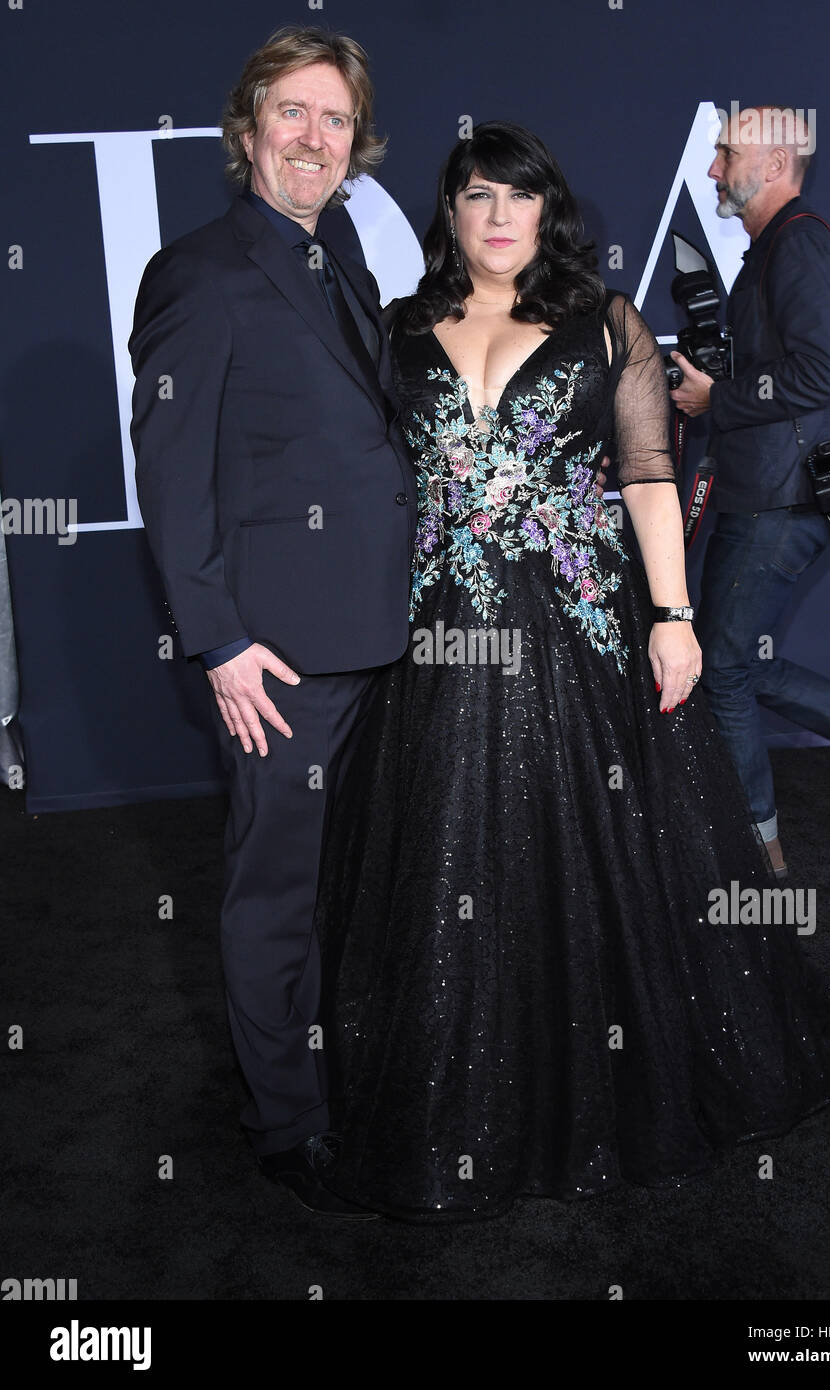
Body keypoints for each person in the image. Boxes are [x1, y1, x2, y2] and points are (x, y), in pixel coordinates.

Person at [313, 122, 830, 1224]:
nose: (499, 215)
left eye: (520, 196)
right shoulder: (401, 329)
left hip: (582, 623)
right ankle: (453, 1101)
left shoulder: (606, 324)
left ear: (548, 212)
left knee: (611, 853)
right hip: (442, 632)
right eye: (477, 195)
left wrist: (676, 615)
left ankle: (621, 1081)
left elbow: (648, 476)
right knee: (446, 852)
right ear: (450, 213)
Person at [129, 26, 419, 1218]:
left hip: (378, 636)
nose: (313, 138)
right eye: (292, 115)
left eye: (334, 120)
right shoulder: (198, 272)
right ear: (247, 129)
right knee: (276, 889)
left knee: (352, 880)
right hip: (280, 653)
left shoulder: (335, 245)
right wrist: (218, 639)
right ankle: (285, 1121)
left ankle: (335, 1071)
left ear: (358, 145)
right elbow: (171, 474)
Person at [671, 105, 830, 874]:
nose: (714, 169)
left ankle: (759, 853)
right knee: (730, 665)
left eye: (725, 154)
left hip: (778, 503)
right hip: (776, 493)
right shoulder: (776, 250)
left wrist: (717, 401)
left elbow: (822, 373)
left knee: (721, 670)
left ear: (776, 164)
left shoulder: (798, 243)